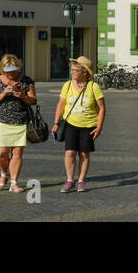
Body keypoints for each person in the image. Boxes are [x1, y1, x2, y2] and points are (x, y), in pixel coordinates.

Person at [52, 56, 105, 192]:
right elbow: (61, 104)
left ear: (84, 72)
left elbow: (102, 108)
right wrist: (56, 123)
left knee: (84, 154)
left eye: (75, 70)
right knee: (69, 153)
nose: (72, 72)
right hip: (70, 124)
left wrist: (99, 126)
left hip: (88, 125)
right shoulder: (68, 85)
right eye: (72, 69)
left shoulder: (94, 87)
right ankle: (70, 180)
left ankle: (81, 181)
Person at [0, 55, 36, 193]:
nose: (11, 74)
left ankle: (14, 183)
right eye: (8, 71)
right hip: (1, 121)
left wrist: (23, 96)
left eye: (14, 71)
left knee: (17, 153)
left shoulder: (26, 80)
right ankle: (3, 174)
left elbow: (33, 100)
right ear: (3, 69)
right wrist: (4, 93)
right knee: (1, 153)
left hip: (20, 120)